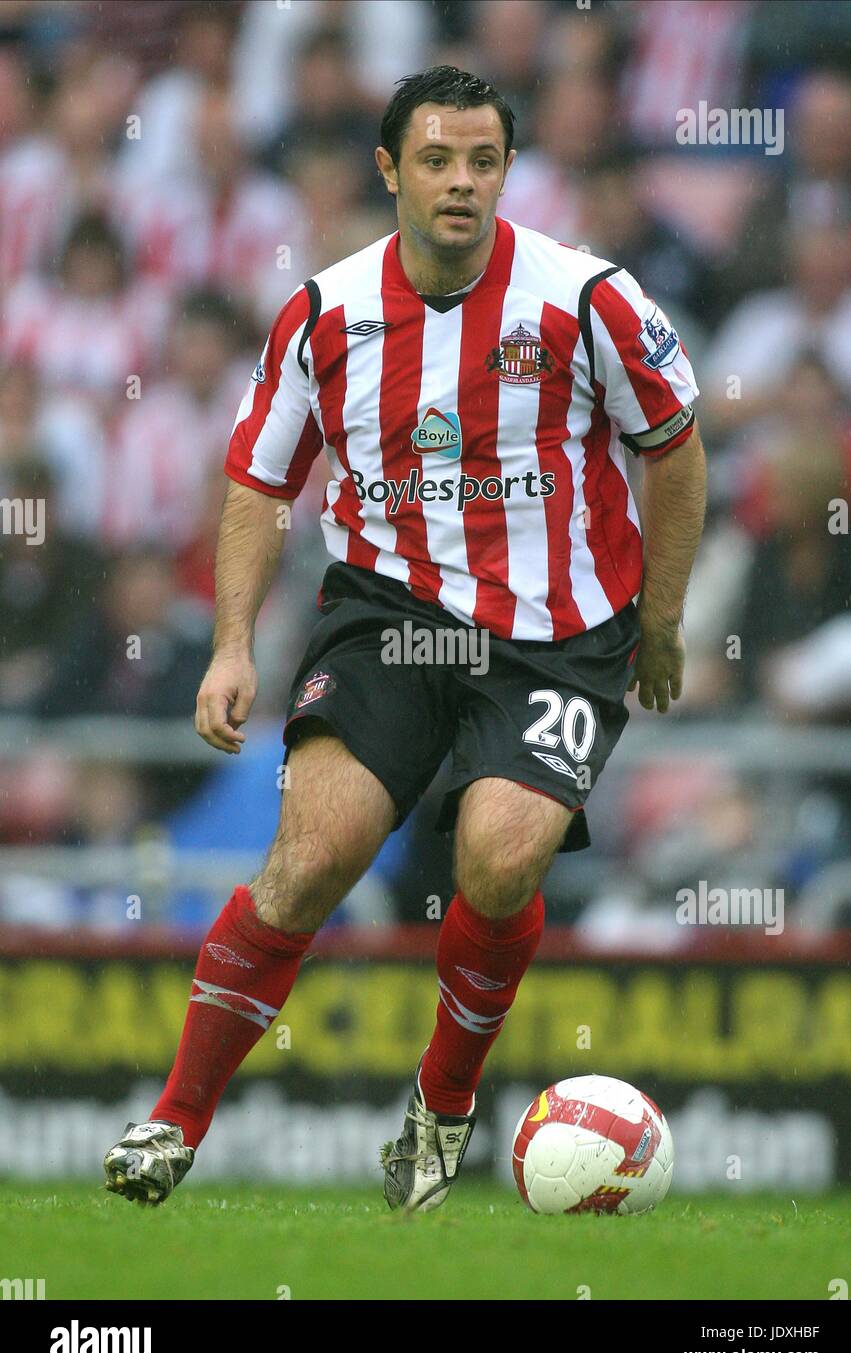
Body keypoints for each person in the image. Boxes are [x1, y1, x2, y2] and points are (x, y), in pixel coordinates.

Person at [104, 66, 706, 1213]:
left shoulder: (589, 300)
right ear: (388, 171)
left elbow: (673, 449)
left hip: (558, 634)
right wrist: (231, 644)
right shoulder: (327, 312)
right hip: (389, 614)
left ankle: (441, 1103)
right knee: (309, 859)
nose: (461, 184)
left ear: (506, 173)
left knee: (499, 854)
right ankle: (173, 1120)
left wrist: (663, 620)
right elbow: (255, 477)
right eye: (436, 160)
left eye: (482, 162)